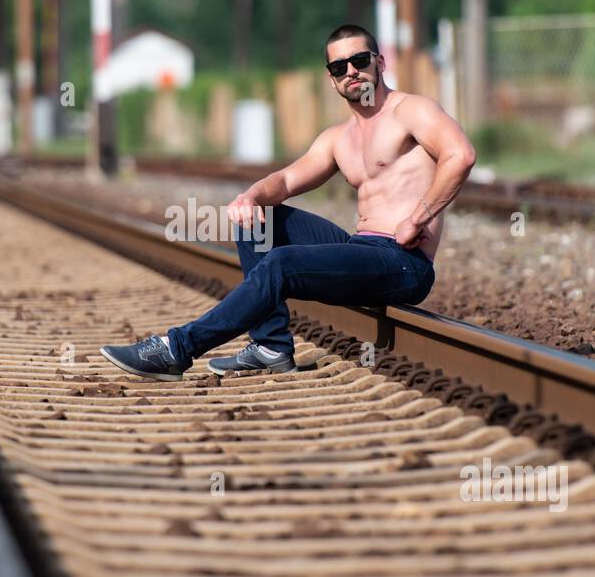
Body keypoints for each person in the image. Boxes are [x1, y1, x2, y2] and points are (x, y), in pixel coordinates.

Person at [100, 23, 476, 381]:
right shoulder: (338, 138)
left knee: (282, 263)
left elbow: (460, 155)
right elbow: (284, 180)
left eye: (360, 61)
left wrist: (418, 216)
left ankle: (177, 349)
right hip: (362, 247)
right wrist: (250, 197)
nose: (351, 72)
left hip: (404, 260)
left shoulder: (411, 111)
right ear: (331, 78)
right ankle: (270, 346)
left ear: (379, 62)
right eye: (339, 66)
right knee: (257, 217)